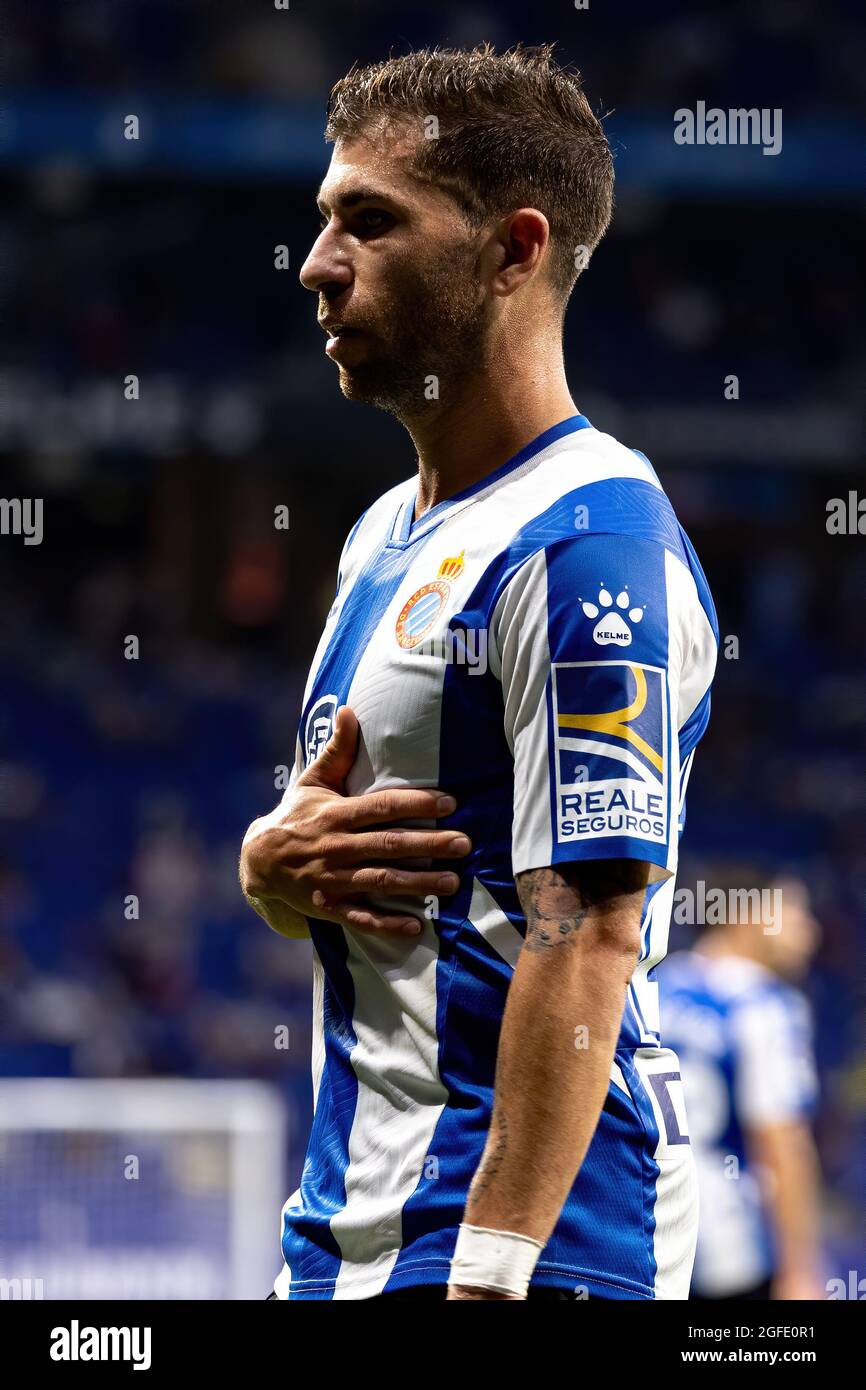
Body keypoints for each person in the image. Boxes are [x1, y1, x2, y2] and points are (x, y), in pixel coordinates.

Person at [240, 44, 718, 1301]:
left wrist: (489, 1275)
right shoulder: (379, 535)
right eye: (323, 219)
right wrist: (267, 867)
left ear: (513, 251)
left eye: (369, 222)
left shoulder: (584, 542)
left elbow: (589, 929)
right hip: (353, 1231)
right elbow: (364, 870)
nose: (318, 263)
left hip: (521, 1251)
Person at [661, 872, 823, 1300]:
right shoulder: (765, 1004)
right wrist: (800, 1268)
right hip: (733, 1251)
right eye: (794, 911)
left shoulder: (657, 986)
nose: (810, 929)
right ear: (748, 915)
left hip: (650, 1241)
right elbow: (783, 1141)